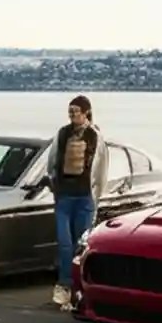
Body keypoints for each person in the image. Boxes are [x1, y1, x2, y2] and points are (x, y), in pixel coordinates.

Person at [43, 95, 109, 309]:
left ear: (86, 113)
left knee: (80, 246)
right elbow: (52, 162)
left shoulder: (95, 137)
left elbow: (101, 172)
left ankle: (79, 290)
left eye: (76, 111)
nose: (72, 115)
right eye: (70, 111)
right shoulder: (62, 134)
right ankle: (64, 285)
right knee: (64, 243)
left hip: (84, 198)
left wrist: (95, 197)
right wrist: (55, 186)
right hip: (64, 197)